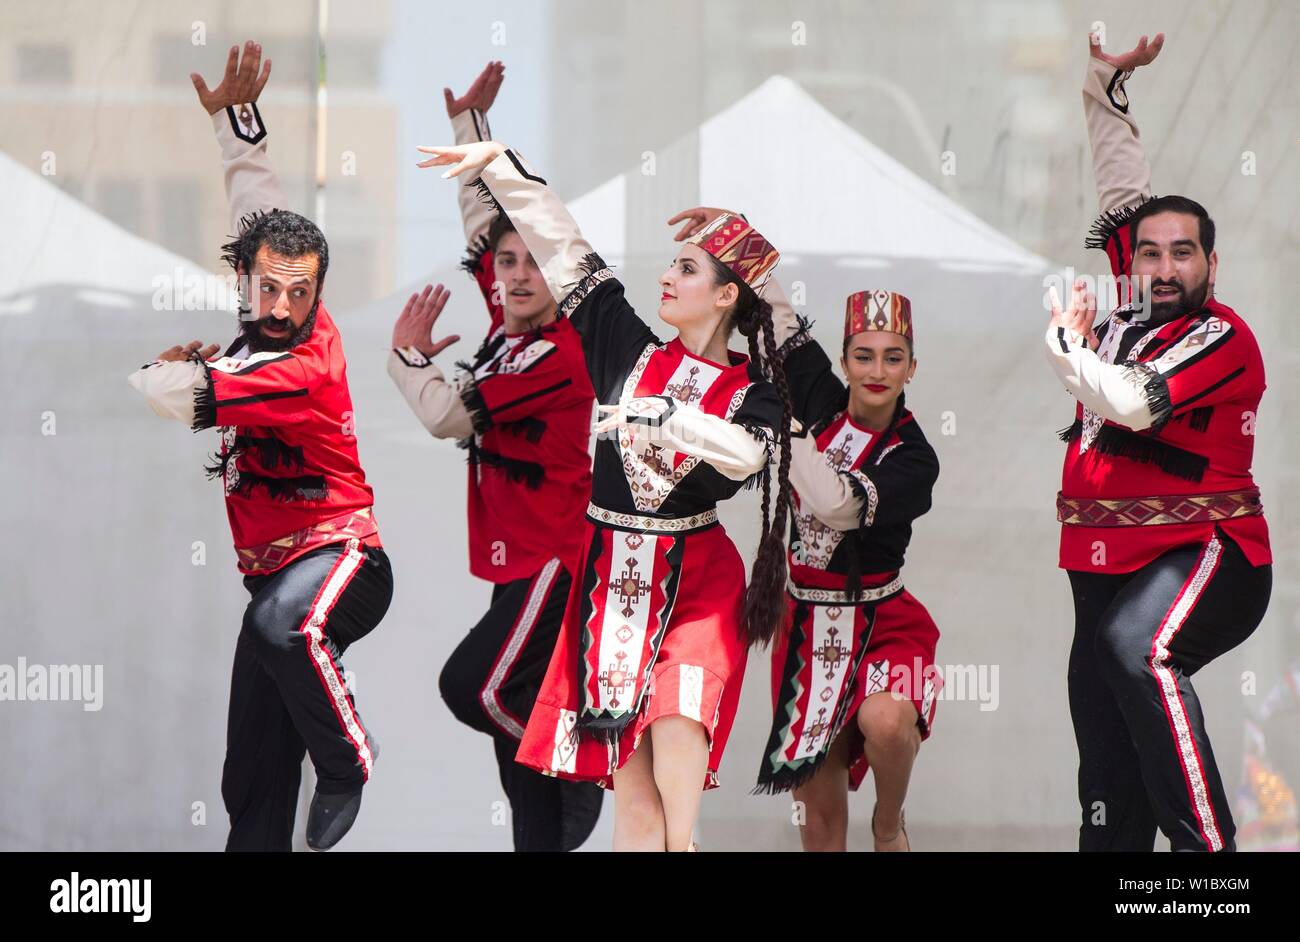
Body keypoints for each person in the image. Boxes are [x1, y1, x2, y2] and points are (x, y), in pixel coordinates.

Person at [415, 138, 793, 852]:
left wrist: (667, 418)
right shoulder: (625, 346)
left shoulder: (755, 393)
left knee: (680, 717)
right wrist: (499, 165)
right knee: (634, 793)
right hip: (614, 583)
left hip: (699, 577)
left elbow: (745, 457)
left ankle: (685, 847)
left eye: (686, 268)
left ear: (724, 296)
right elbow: (564, 245)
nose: (667, 275)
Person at [128, 41, 391, 852]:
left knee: (285, 627)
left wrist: (180, 367)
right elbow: (258, 211)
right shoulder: (258, 318)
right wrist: (236, 127)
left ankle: (349, 762)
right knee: (251, 776)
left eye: (300, 291)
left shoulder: (301, 364)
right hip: (274, 574)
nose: (282, 305)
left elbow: (165, 393)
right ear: (245, 278)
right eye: (268, 287)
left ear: (319, 291)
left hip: (344, 563)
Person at [1044, 31, 1272, 852]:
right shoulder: (1132, 310)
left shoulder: (1220, 335)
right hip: (1098, 564)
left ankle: (1210, 866)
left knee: (1136, 650)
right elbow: (1121, 186)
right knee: (1105, 769)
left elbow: (1135, 406)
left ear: (1213, 261)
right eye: (1149, 253)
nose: (1164, 265)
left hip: (1209, 555)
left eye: (1184, 252)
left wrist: (1068, 348)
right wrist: (1105, 82)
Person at [386, 61, 602, 851]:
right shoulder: (514, 327)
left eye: (530, 266)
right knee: (512, 758)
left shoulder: (558, 353)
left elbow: (448, 417)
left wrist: (408, 358)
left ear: (560, 277)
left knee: (472, 688)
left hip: (559, 557)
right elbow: (488, 229)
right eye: (507, 268)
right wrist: (472, 136)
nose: (512, 276)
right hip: (520, 563)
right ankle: (549, 801)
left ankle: (576, 763)